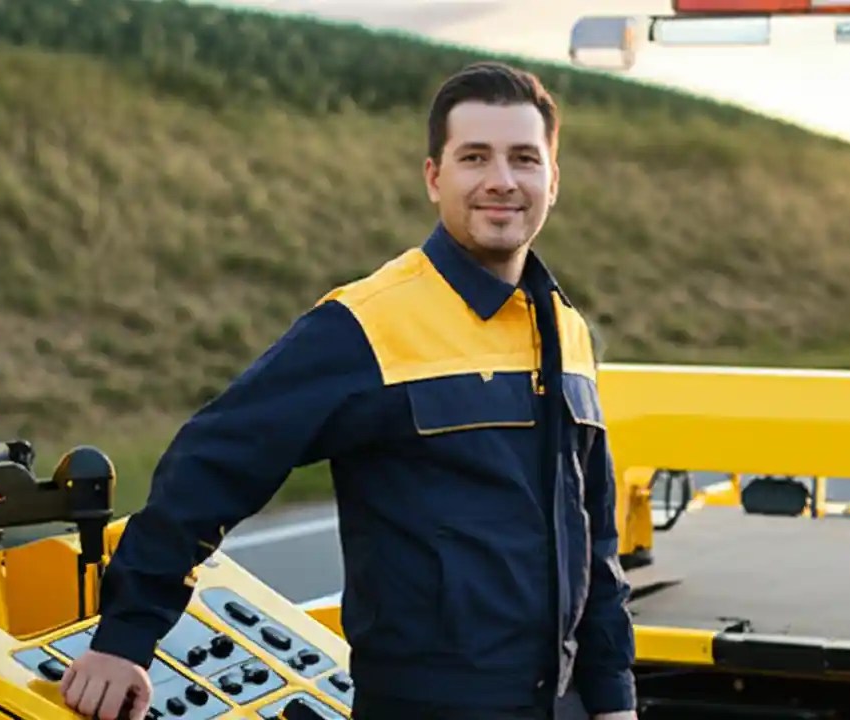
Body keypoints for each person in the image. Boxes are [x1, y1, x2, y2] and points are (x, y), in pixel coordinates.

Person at [59, 60, 637, 720]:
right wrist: (125, 638)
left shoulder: (565, 329)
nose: (502, 181)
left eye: (524, 159)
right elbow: (214, 460)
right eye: (475, 157)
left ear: (552, 181)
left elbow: (591, 539)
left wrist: (612, 695)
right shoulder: (365, 324)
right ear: (434, 177)